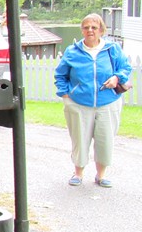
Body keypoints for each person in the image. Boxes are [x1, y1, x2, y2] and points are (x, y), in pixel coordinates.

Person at [54, 13, 133, 187]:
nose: (90, 30)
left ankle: (101, 175)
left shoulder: (112, 49)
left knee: (105, 140)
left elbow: (125, 68)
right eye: (86, 27)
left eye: (94, 27)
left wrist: (116, 78)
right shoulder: (73, 51)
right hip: (79, 103)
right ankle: (78, 173)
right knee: (80, 140)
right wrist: (65, 94)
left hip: (108, 102)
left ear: (101, 30)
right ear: (82, 30)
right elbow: (60, 74)